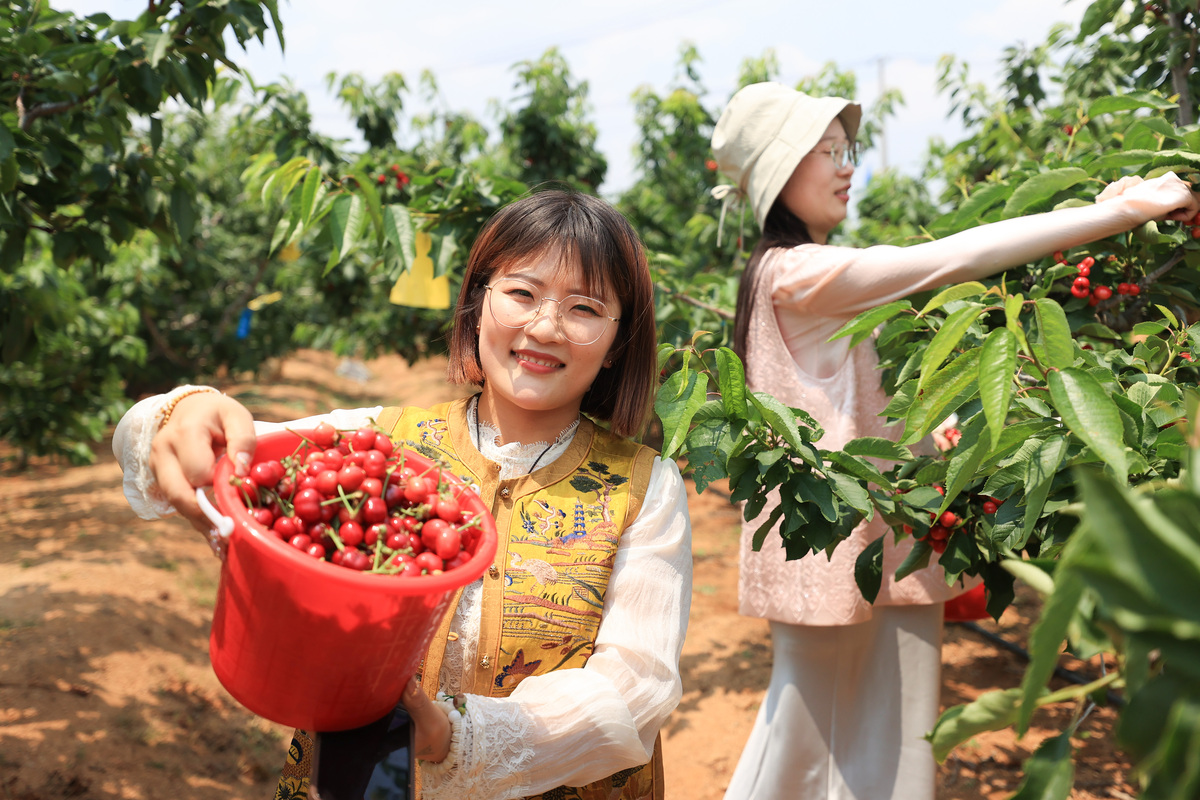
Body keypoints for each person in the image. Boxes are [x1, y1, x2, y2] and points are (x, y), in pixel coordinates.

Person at [112, 188, 693, 800]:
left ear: (616, 345)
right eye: (521, 294)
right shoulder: (378, 443)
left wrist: (462, 739)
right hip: (367, 776)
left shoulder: (643, 487)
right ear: (476, 305)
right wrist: (182, 409)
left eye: (583, 309)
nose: (545, 327)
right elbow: (211, 448)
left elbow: (636, 687)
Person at [709, 81, 1200, 800]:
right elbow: (951, 259)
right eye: (827, 152)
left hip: (880, 537)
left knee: (882, 721)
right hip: (846, 547)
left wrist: (927, 439)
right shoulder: (796, 274)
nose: (847, 167)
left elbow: (846, 397)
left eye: (848, 151)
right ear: (780, 173)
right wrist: (1119, 211)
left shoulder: (792, 276)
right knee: (811, 736)